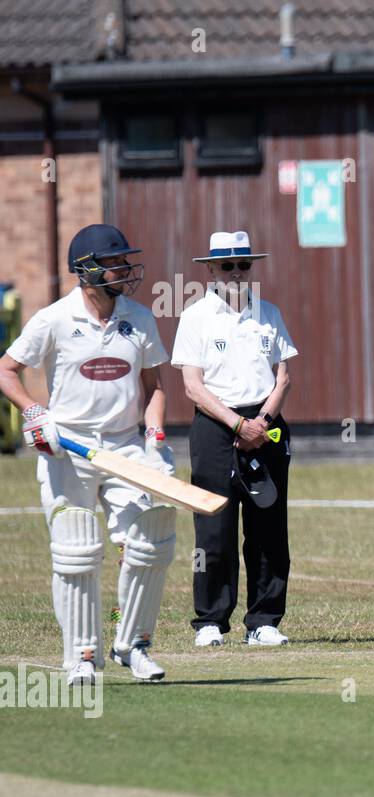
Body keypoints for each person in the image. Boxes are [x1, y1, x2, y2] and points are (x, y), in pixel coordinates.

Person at [0, 224, 175, 684]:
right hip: (68, 446)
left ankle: (132, 643)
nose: (125, 269)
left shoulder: (138, 318)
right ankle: (82, 655)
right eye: (116, 262)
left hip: (125, 445)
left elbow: (154, 387)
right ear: (88, 270)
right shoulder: (53, 319)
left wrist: (155, 438)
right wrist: (37, 414)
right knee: (76, 550)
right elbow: (7, 370)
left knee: (151, 538)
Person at [171, 231, 296, 647]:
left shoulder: (270, 313)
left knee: (268, 526)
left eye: (244, 264)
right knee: (214, 527)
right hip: (215, 424)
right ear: (210, 270)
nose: (237, 273)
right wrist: (236, 425)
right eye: (228, 266)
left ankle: (264, 621)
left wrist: (260, 420)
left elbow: (284, 377)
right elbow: (192, 386)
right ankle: (210, 620)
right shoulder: (195, 316)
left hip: (265, 423)